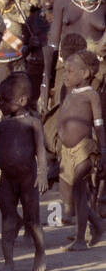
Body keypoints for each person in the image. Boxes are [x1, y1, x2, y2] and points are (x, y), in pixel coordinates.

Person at [0, 73, 47, 271]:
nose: (0, 104)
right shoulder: (1, 126)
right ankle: (8, 261)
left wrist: (43, 172)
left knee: (33, 219)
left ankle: (40, 254)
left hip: (28, 179)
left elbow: (40, 150)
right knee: (7, 218)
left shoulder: (33, 123)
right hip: (7, 181)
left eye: (5, 100)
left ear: (22, 100)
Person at [51, 50, 106, 250]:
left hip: (84, 148)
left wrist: (103, 151)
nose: (65, 75)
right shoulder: (68, 92)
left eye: (70, 71)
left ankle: (81, 239)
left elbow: (98, 124)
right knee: (73, 192)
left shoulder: (91, 95)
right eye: (64, 71)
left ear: (84, 74)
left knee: (78, 189)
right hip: (66, 151)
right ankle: (97, 226)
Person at [42, 0, 106, 112]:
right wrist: (45, 82)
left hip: (98, 70)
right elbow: (53, 44)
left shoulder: (103, 2)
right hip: (67, 68)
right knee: (60, 121)